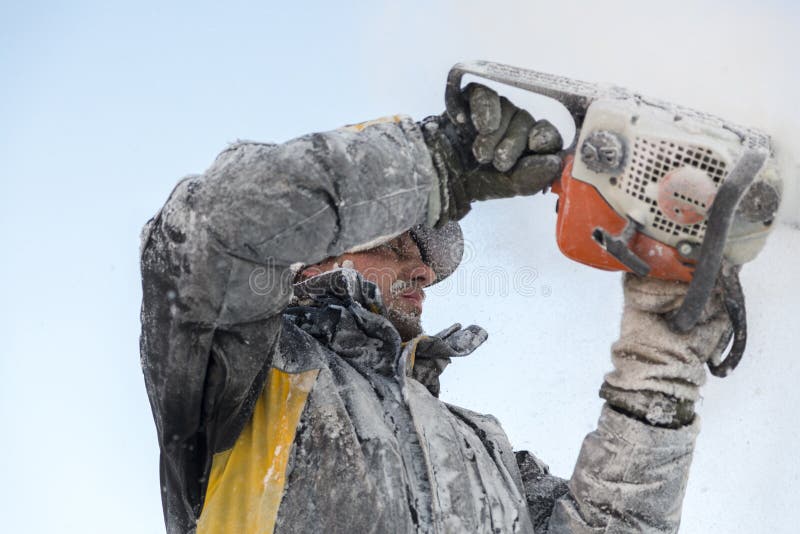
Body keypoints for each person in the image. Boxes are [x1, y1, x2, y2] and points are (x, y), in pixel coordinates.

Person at [140, 83, 732, 533]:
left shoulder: (486, 448)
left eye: (426, 261)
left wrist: (662, 357)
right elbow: (210, 228)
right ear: (308, 258)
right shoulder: (246, 377)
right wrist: (434, 163)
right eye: (396, 246)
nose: (424, 271)